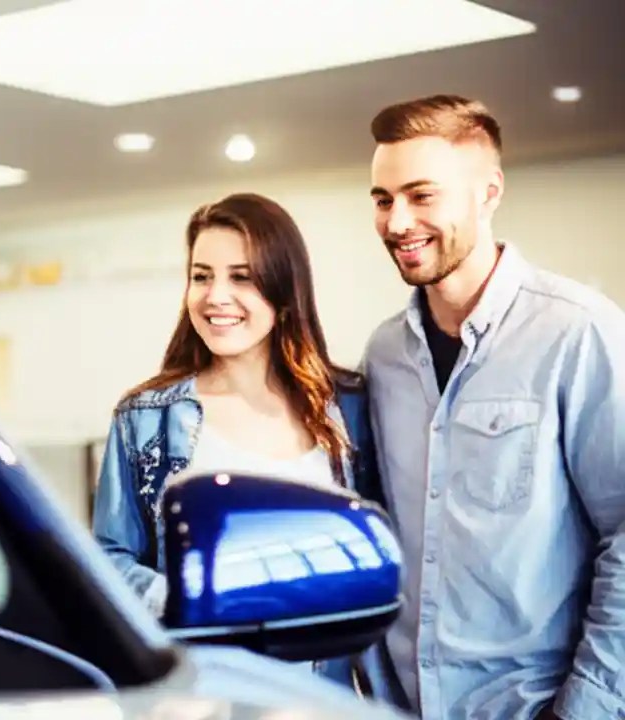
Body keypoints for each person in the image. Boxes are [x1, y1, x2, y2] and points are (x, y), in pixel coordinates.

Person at [362, 94, 625, 720]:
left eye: (422, 196)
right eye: (382, 198)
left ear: (489, 193)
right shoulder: (383, 355)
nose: (397, 221)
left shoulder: (578, 332)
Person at [90, 192, 381, 684]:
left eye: (241, 276)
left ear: (284, 289)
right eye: (201, 276)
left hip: (321, 701)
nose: (215, 296)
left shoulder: (349, 407)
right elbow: (108, 561)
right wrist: (196, 602)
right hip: (204, 694)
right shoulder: (145, 418)